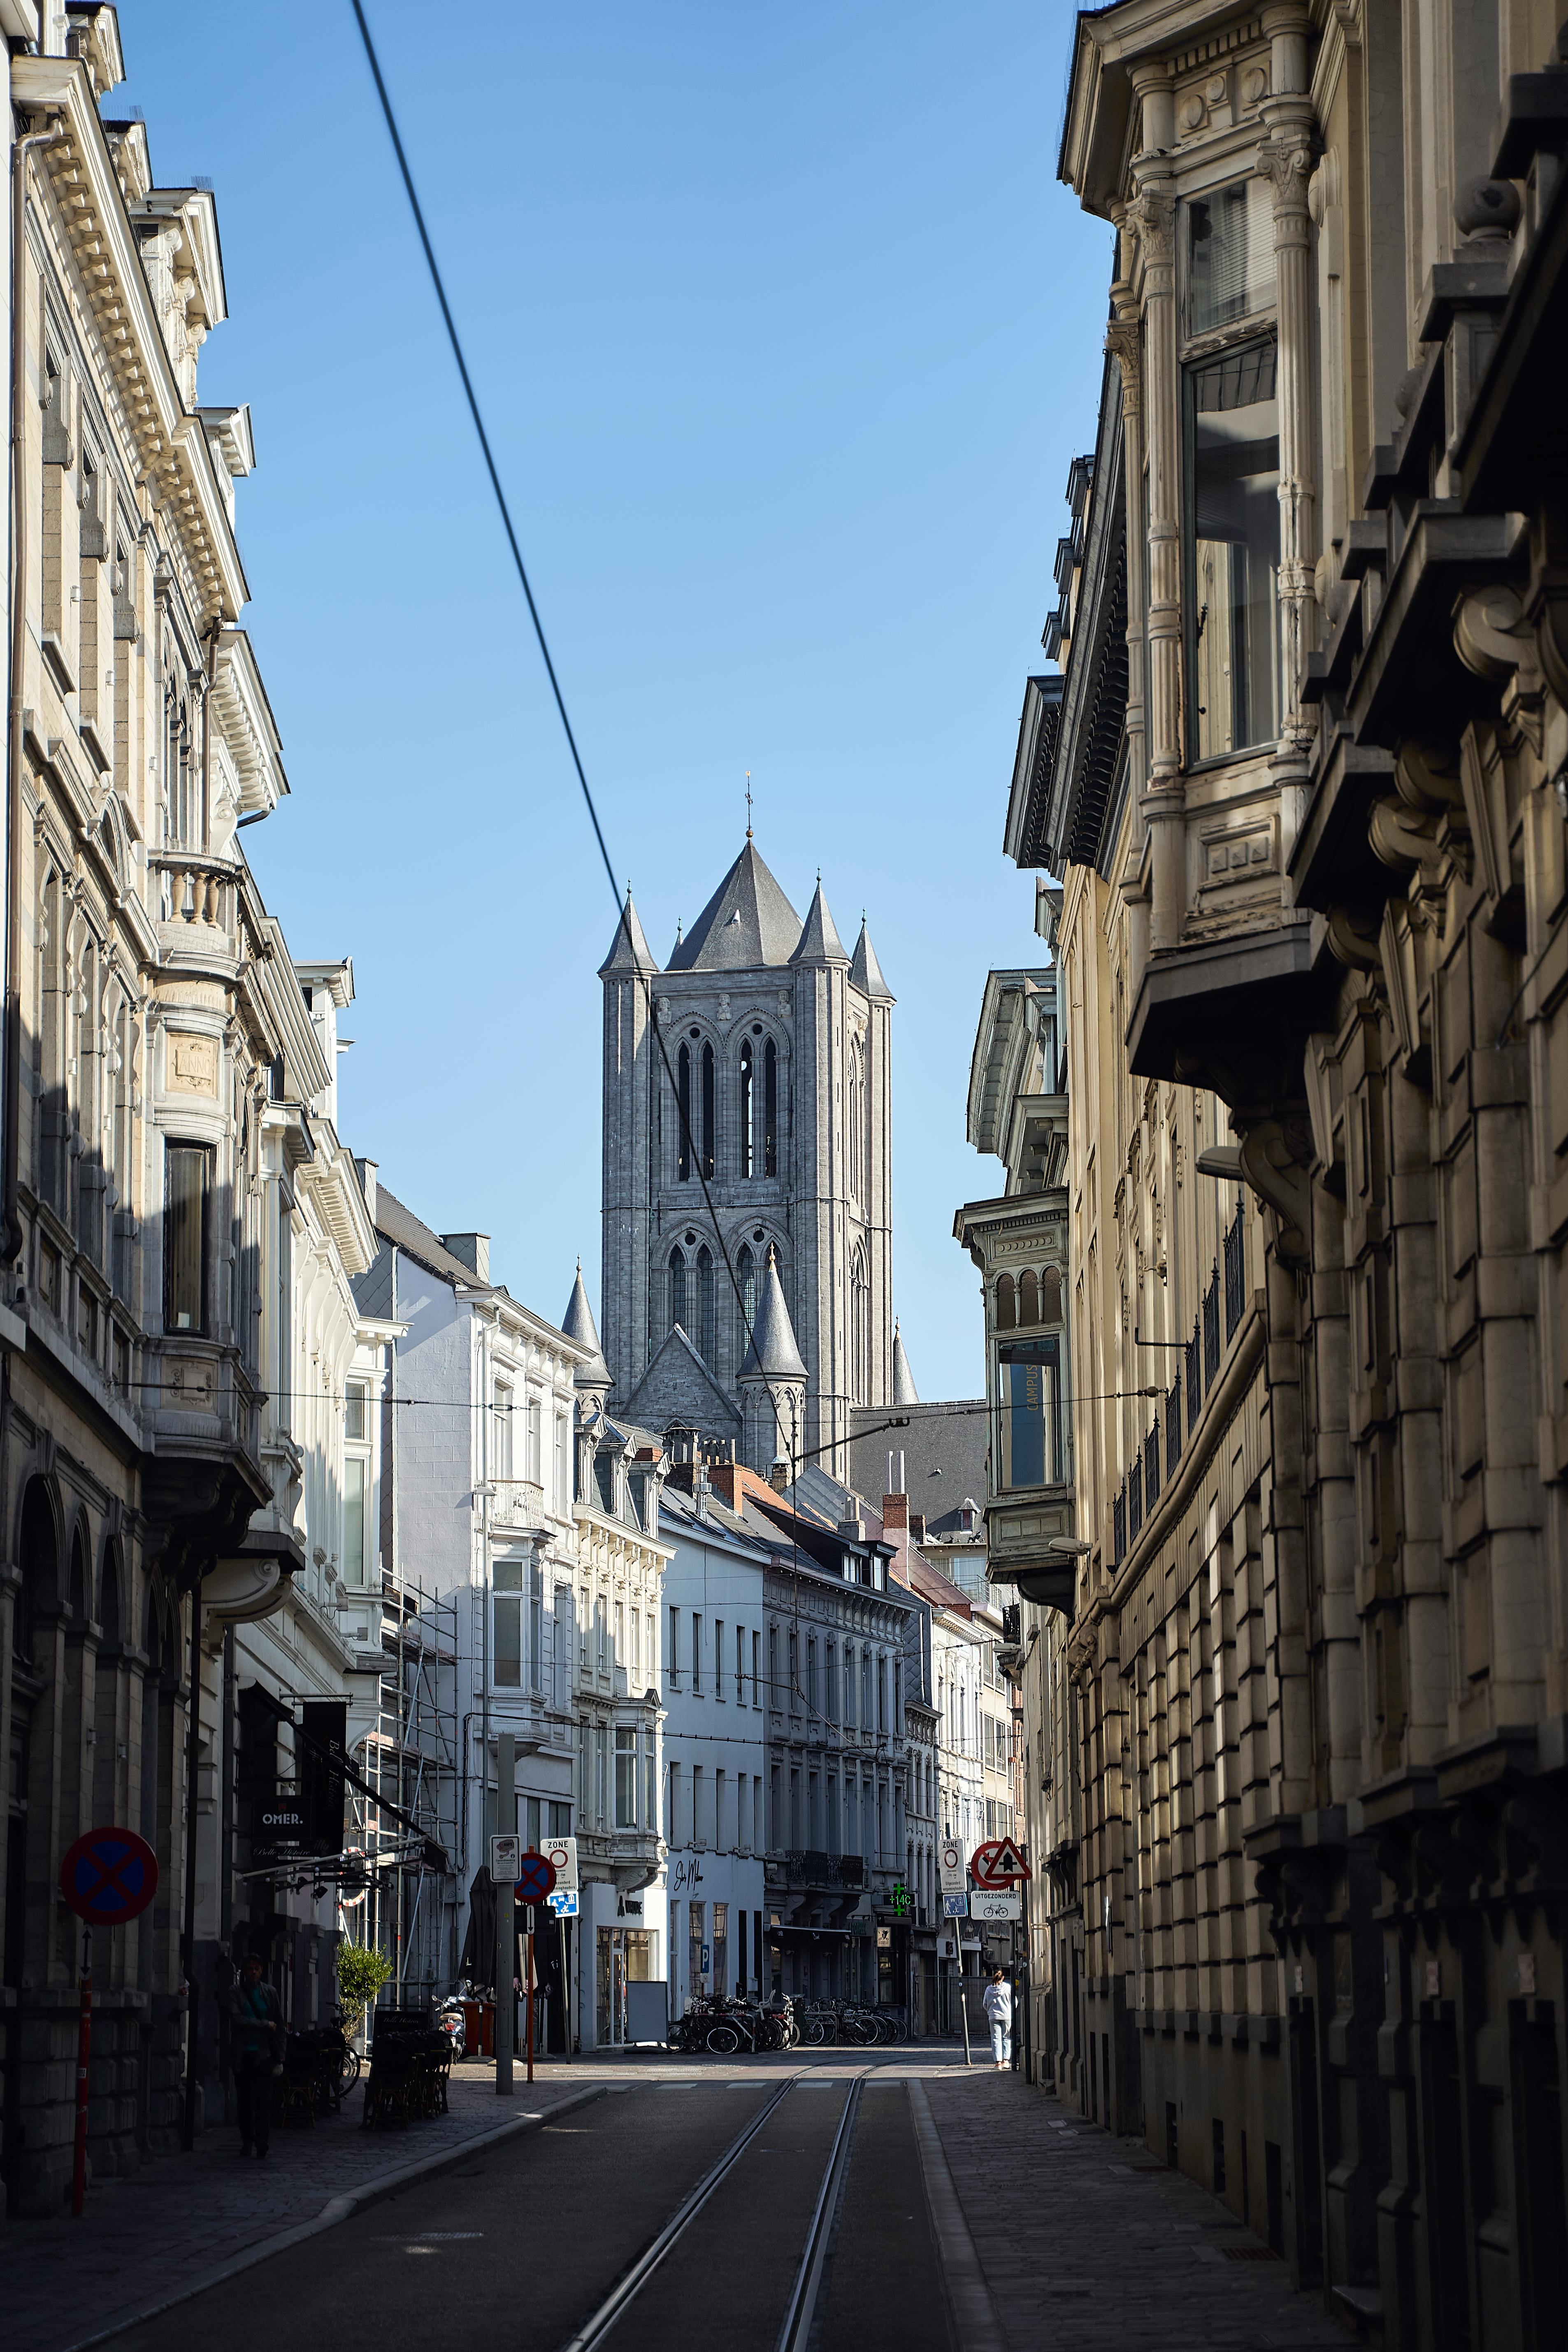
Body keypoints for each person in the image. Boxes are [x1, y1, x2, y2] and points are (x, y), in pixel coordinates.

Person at [227, 1954, 284, 2157]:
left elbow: (279, 2023)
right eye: (250, 1968)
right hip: (243, 2055)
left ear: (262, 1970)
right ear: (244, 1971)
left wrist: (281, 2053)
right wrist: (264, 2025)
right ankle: (247, 2139)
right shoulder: (236, 1992)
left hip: (264, 2055)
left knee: (263, 2101)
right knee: (244, 2102)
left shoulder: (270, 1993)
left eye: (257, 1969)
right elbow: (237, 2020)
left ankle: (262, 2140)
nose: (254, 1972)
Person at [983, 1967, 1013, 2072]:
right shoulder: (1008, 1988)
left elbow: (985, 2004)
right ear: (1003, 1978)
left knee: (996, 2038)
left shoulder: (989, 1990)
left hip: (994, 2016)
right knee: (1006, 2037)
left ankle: (998, 2063)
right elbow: (1015, 2002)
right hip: (1007, 2016)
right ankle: (1006, 2061)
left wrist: (990, 2012)